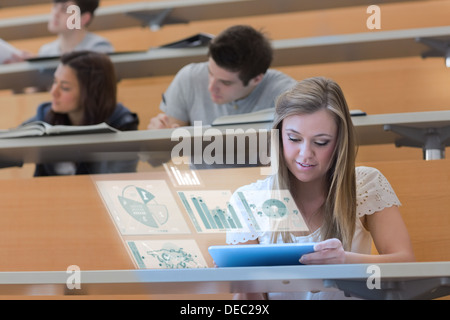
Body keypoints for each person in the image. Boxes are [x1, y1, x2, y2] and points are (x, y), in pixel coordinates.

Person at [226, 77, 415, 300]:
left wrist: (346, 260)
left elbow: (405, 264)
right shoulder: (247, 199)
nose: (305, 154)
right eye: (294, 139)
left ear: (339, 142)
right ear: (279, 136)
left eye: (321, 142)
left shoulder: (366, 183)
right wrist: (244, 283)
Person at [147, 25, 296, 129]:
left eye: (225, 82)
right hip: (203, 175)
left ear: (256, 79)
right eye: (210, 73)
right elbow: (158, 159)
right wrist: (156, 141)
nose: (211, 87)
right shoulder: (188, 78)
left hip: (264, 175)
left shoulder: (287, 96)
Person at [24, 51, 139, 176]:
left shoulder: (122, 124)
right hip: (49, 194)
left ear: (91, 93)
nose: (53, 92)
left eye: (65, 87)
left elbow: (117, 183)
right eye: (55, 82)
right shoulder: (45, 117)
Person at [38, 0, 114, 57]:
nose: (55, 13)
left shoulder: (99, 48)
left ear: (83, 18)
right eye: (55, 6)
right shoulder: (46, 52)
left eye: (65, 9)